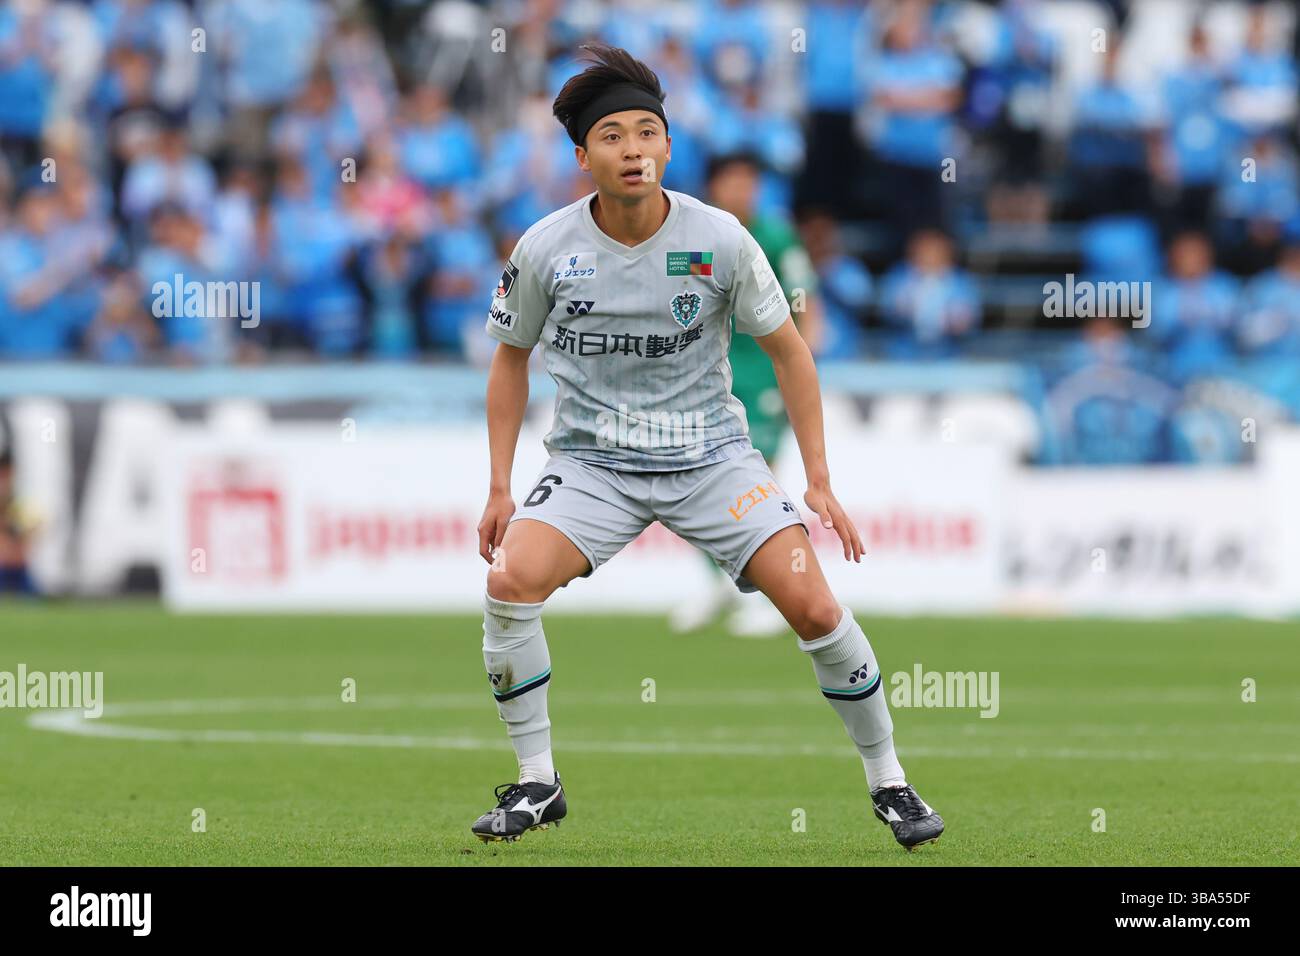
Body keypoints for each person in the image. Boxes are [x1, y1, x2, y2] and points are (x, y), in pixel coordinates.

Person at [470, 43, 944, 851]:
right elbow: (509, 362)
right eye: (612, 136)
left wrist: (820, 478)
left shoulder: (721, 239)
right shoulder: (545, 249)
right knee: (511, 582)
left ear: (666, 146)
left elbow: (792, 349)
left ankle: (891, 781)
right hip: (593, 465)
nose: (633, 149)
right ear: (583, 156)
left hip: (712, 458)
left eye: (647, 132)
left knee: (816, 606)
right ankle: (537, 781)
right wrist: (499, 486)